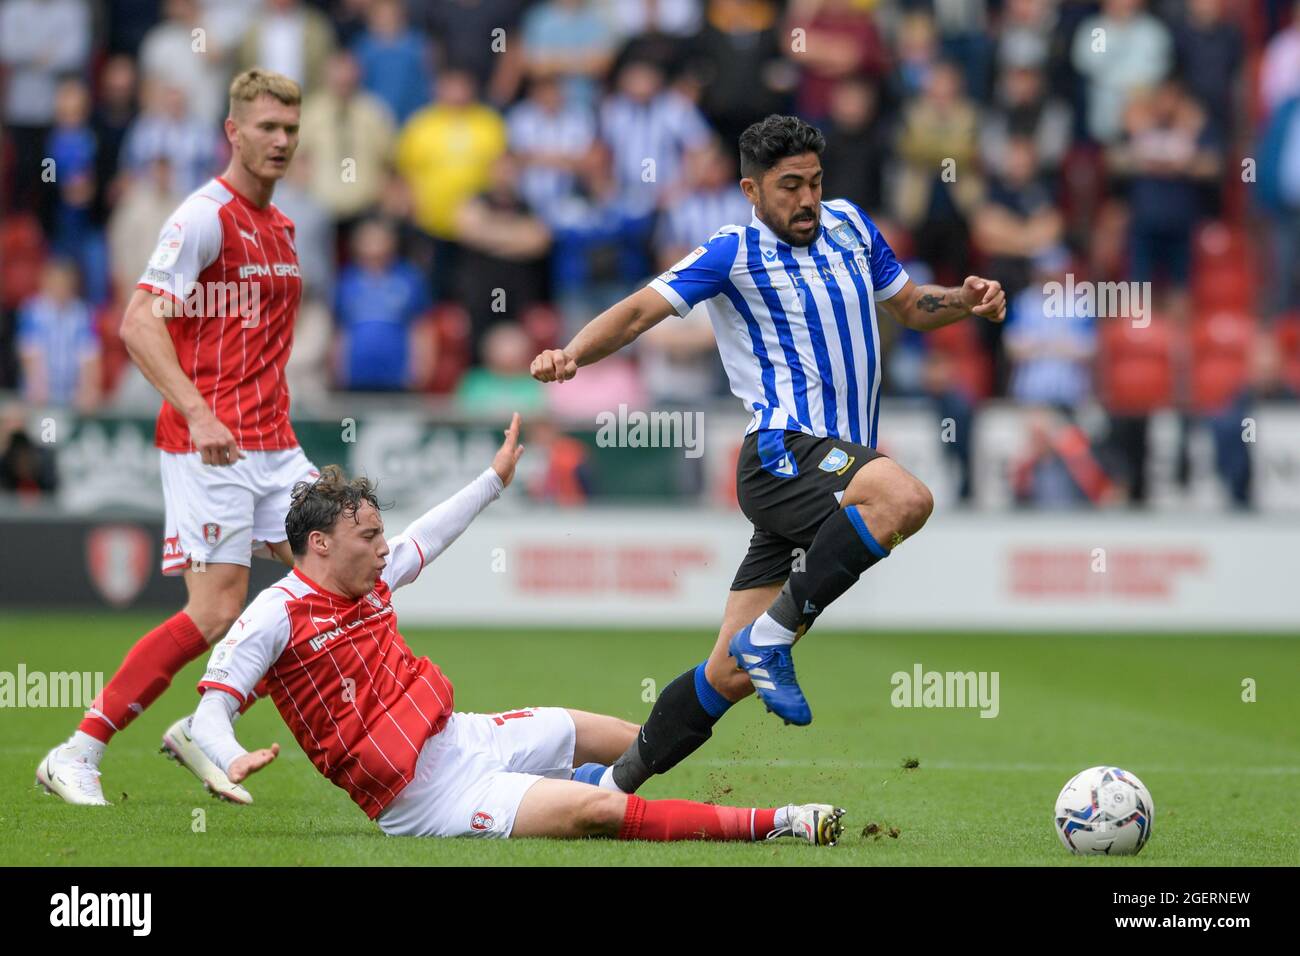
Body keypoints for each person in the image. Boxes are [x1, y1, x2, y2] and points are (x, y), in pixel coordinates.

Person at [530, 115, 1005, 795]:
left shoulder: (850, 225)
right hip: (782, 451)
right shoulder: (732, 251)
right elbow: (640, 311)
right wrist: (572, 353)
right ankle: (772, 640)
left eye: (814, 182)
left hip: (831, 462)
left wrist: (964, 299)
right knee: (905, 499)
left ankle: (609, 784)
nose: (807, 199)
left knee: (724, 672)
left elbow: (908, 306)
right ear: (752, 191)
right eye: (789, 187)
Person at [189, 415, 846, 845]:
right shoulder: (274, 615)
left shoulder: (371, 576)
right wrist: (228, 755)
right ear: (320, 545)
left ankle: (582, 794)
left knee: (632, 740)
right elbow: (210, 714)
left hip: (464, 735)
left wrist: (494, 480)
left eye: (382, 533)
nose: (385, 547)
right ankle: (777, 823)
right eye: (369, 536)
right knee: (600, 815)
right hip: (426, 799)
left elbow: (430, 533)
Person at [36, 69, 316, 808]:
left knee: (341, 580)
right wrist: (197, 410)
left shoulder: (283, 227)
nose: (281, 139)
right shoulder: (202, 217)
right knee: (217, 610)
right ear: (232, 131)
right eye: (267, 127)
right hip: (210, 441)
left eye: (290, 127)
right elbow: (137, 322)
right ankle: (77, 751)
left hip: (274, 442)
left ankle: (205, 721)